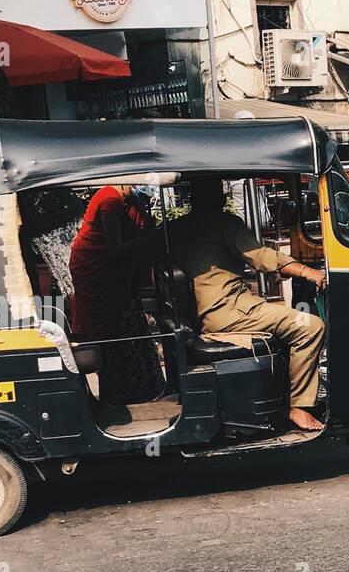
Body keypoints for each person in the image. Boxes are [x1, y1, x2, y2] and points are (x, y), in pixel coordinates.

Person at [171, 176, 327, 431]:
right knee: (309, 326)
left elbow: (136, 249)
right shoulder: (224, 223)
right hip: (232, 311)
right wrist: (305, 271)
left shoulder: (178, 227)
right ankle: (298, 406)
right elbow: (261, 256)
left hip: (210, 314)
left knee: (285, 320)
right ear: (219, 197)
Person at [67, 183, 161, 405]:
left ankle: (138, 388)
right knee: (113, 330)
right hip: (97, 273)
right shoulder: (110, 199)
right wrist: (148, 240)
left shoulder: (120, 198)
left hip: (109, 274)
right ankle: (123, 391)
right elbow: (115, 248)